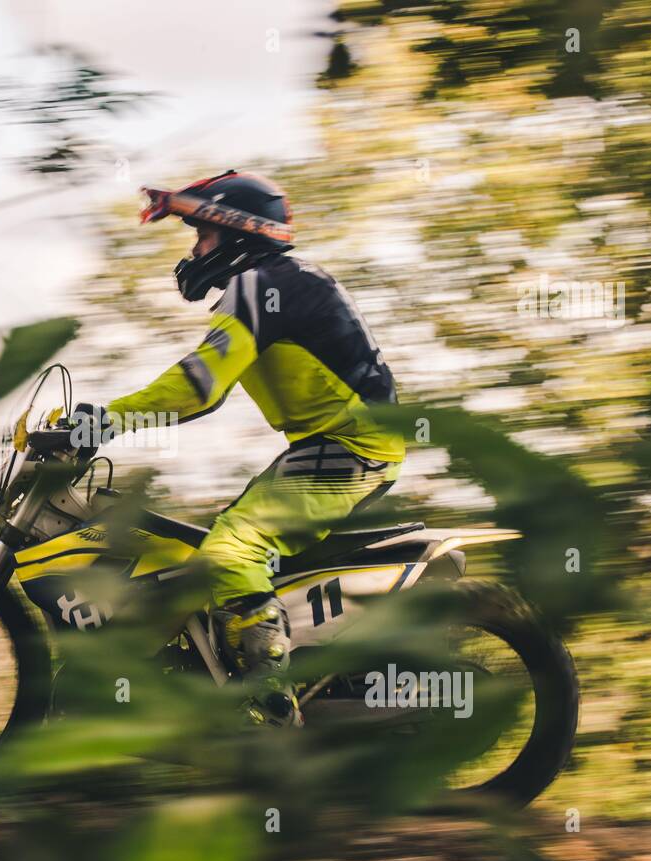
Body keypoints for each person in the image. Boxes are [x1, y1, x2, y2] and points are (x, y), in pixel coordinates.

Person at [75, 171, 404, 727]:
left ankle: (275, 721)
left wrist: (104, 423)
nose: (194, 250)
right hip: (329, 446)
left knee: (232, 553)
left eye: (201, 235)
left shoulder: (264, 286)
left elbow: (200, 387)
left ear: (235, 233)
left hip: (350, 448)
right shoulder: (275, 281)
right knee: (210, 553)